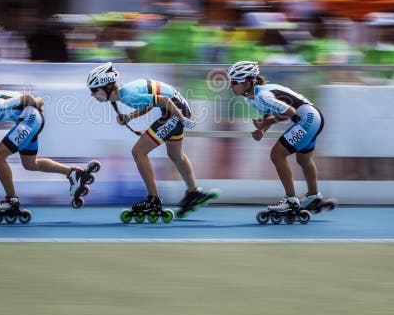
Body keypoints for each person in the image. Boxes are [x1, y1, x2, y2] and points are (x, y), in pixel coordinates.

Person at [0, 72, 99, 220]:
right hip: (28, 121)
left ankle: (11, 201)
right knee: (30, 164)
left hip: (30, 120)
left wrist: (37, 105)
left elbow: (28, 99)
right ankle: (73, 173)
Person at [86, 62, 216, 220]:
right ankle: (193, 192)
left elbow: (165, 101)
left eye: (94, 90)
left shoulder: (127, 95)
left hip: (174, 110)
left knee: (138, 152)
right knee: (175, 155)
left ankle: (153, 199)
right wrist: (129, 117)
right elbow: (152, 103)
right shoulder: (124, 93)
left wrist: (182, 119)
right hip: (176, 107)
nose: (92, 95)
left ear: (106, 87)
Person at [227, 60, 327, 214]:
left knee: (277, 154)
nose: (230, 86)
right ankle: (313, 196)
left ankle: (290, 200)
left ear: (247, 83)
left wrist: (267, 122)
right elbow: (270, 113)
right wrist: (263, 130)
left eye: (234, 82)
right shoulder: (250, 98)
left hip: (307, 118)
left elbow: (291, 112)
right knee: (303, 159)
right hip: (312, 117)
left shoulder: (263, 95)